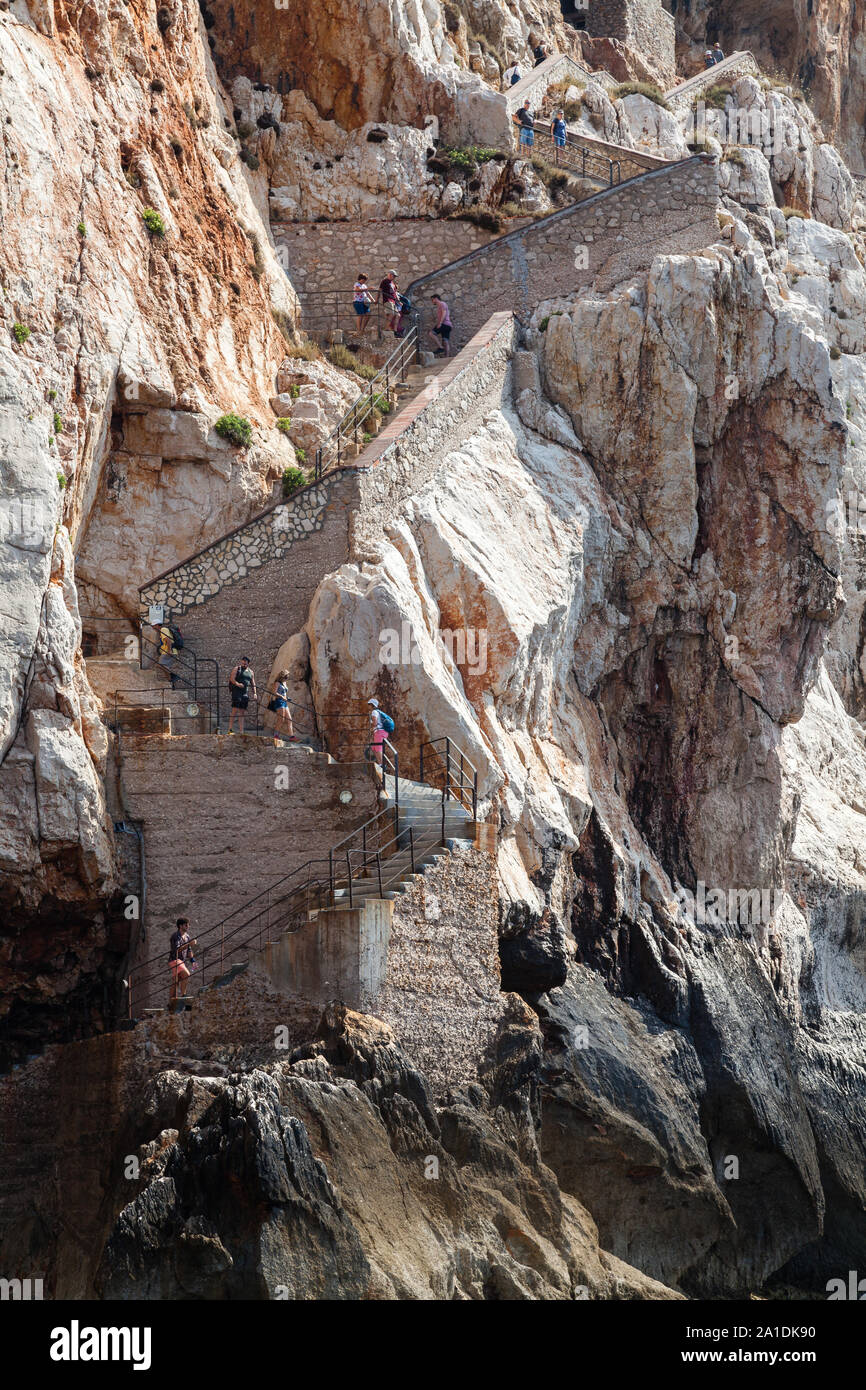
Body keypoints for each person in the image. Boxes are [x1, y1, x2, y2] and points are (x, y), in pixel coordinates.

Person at [169, 917, 197, 1002]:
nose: (188, 926)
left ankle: (171, 1001)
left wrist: (193, 961)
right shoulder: (175, 936)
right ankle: (183, 995)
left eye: (188, 925)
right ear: (180, 926)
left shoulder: (187, 936)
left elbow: (189, 951)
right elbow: (177, 950)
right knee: (186, 974)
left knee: (176, 981)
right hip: (175, 960)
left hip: (182, 961)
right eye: (186, 925)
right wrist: (189, 944)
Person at [227, 656, 256, 734]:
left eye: (245, 663)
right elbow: (231, 679)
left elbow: (253, 683)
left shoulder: (251, 672)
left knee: (242, 712)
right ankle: (230, 729)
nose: (244, 664)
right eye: (243, 662)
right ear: (241, 662)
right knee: (234, 710)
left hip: (244, 693)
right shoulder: (237, 669)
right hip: (236, 692)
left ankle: (241, 731)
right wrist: (238, 684)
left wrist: (255, 693)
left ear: (248, 663)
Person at [268, 669, 296, 747]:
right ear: (283, 676)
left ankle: (291, 736)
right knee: (281, 719)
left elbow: (284, 693)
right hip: (278, 701)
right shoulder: (277, 683)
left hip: (284, 702)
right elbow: (274, 692)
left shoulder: (284, 682)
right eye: (287, 677)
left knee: (289, 719)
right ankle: (276, 734)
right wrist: (282, 696)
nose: (287, 678)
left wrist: (287, 698)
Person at [352, 273, 374, 340]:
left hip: (364, 302)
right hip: (358, 301)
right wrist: (368, 288)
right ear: (360, 279)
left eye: (365, 280)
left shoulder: (364, 285)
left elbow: (368, 293)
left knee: (368, 314)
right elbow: (357, 290)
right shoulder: (357, 284)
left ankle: (362, 329)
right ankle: (359, 330)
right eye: (363, 280)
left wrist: (373, 300)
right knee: (360, 315)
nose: (364, 281)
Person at [157, 623, 179, 688]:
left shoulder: (163, 629)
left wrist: (169, 651)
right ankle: (171, 683)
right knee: (165, 668)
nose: (153, 628)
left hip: (167, 652)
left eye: (153, 626)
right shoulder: (164, 630)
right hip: (169, 651)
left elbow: (168, 640)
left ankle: (173, 676)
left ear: (157, 625)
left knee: (160, 665)